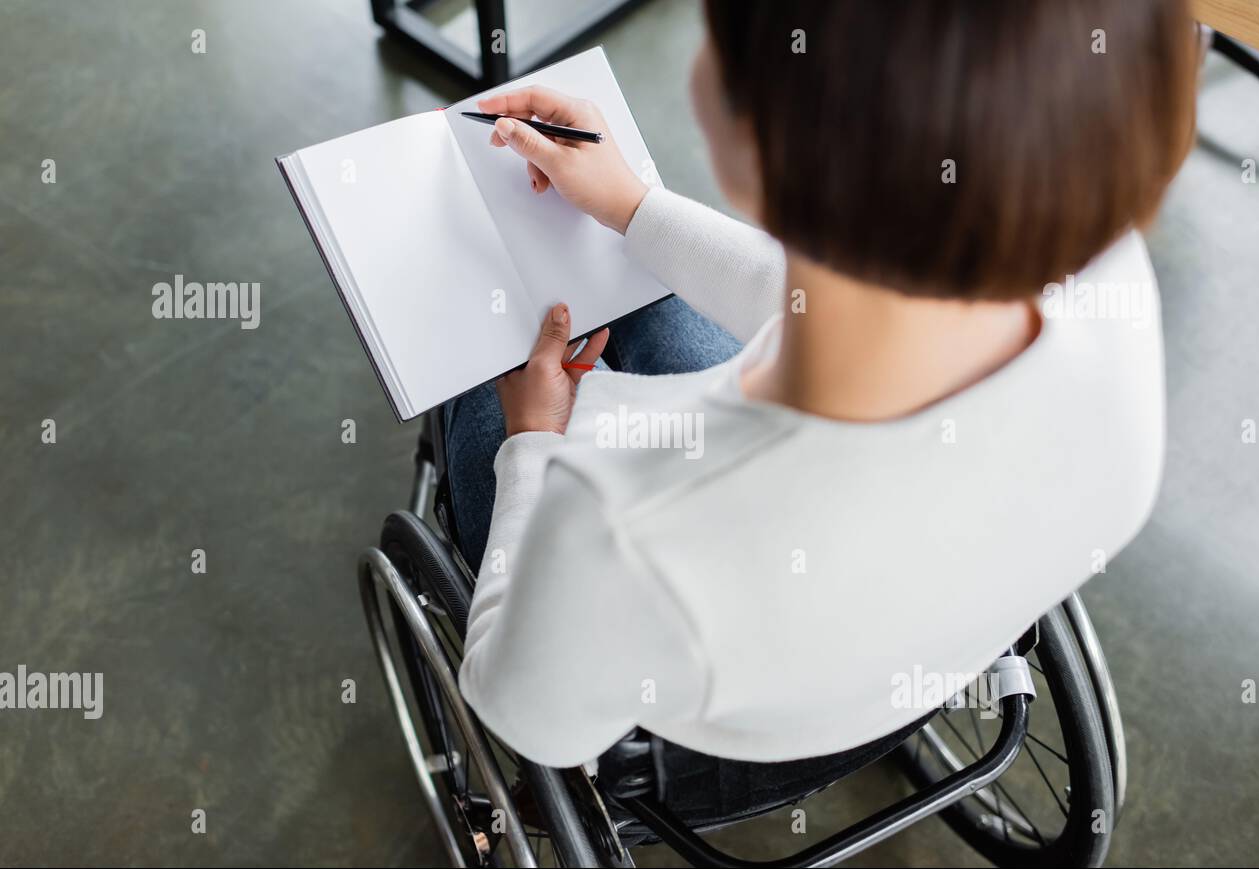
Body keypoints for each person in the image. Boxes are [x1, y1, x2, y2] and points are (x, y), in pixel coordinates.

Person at [448, 0, 1198, 768]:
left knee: (484, 361)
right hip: (911, 649)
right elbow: (868, 293)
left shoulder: (616, 525)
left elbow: (524, 719)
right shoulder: (1114, 290)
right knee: (643, 296)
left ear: (751, 140)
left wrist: (534, 444)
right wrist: (634, 208)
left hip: (720, 742)